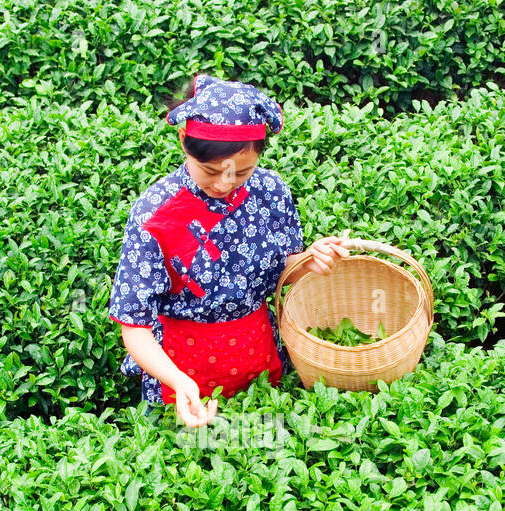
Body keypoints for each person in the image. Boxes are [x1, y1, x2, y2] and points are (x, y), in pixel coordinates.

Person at [109, 72, 349, 428]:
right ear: (182, 140)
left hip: (257, 354)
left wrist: (310, 259)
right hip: (179, 367)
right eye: (210, 171)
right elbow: (135, 326)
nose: (224, 184)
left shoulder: (270, 191)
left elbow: (280, 270)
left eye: (241, 172)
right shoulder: (155, 214)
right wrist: (178, 381)